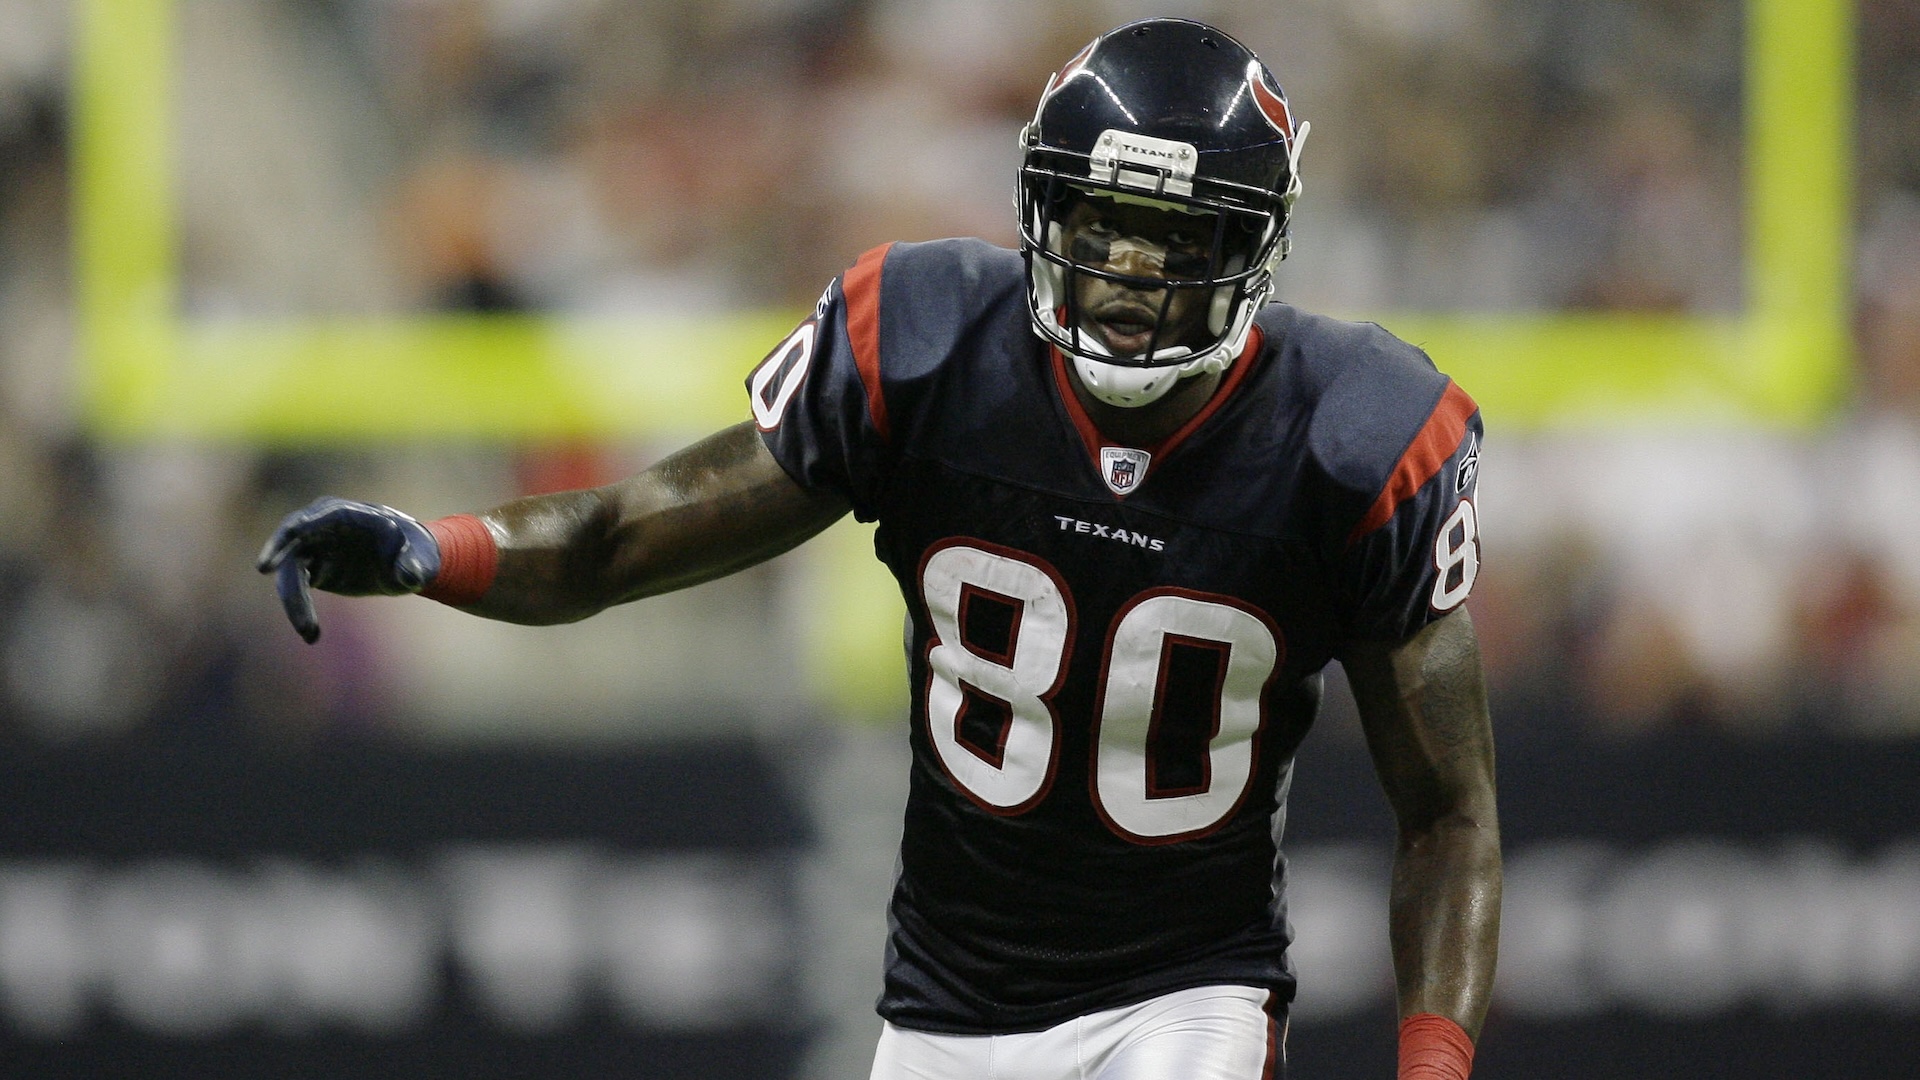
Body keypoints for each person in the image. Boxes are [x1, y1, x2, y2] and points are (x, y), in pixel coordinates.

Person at [259, 18, 1499, 1080]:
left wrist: (1435, 1066)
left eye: (1177, 238)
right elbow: (622, 535)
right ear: (1043, 208)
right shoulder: (924, 345)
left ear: (1252, 251)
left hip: (1185, 998)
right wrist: (431, 548)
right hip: (944, 1006)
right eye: (1102, 222)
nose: (1129, 272)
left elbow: (1448, 813)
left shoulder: (1355, 436)